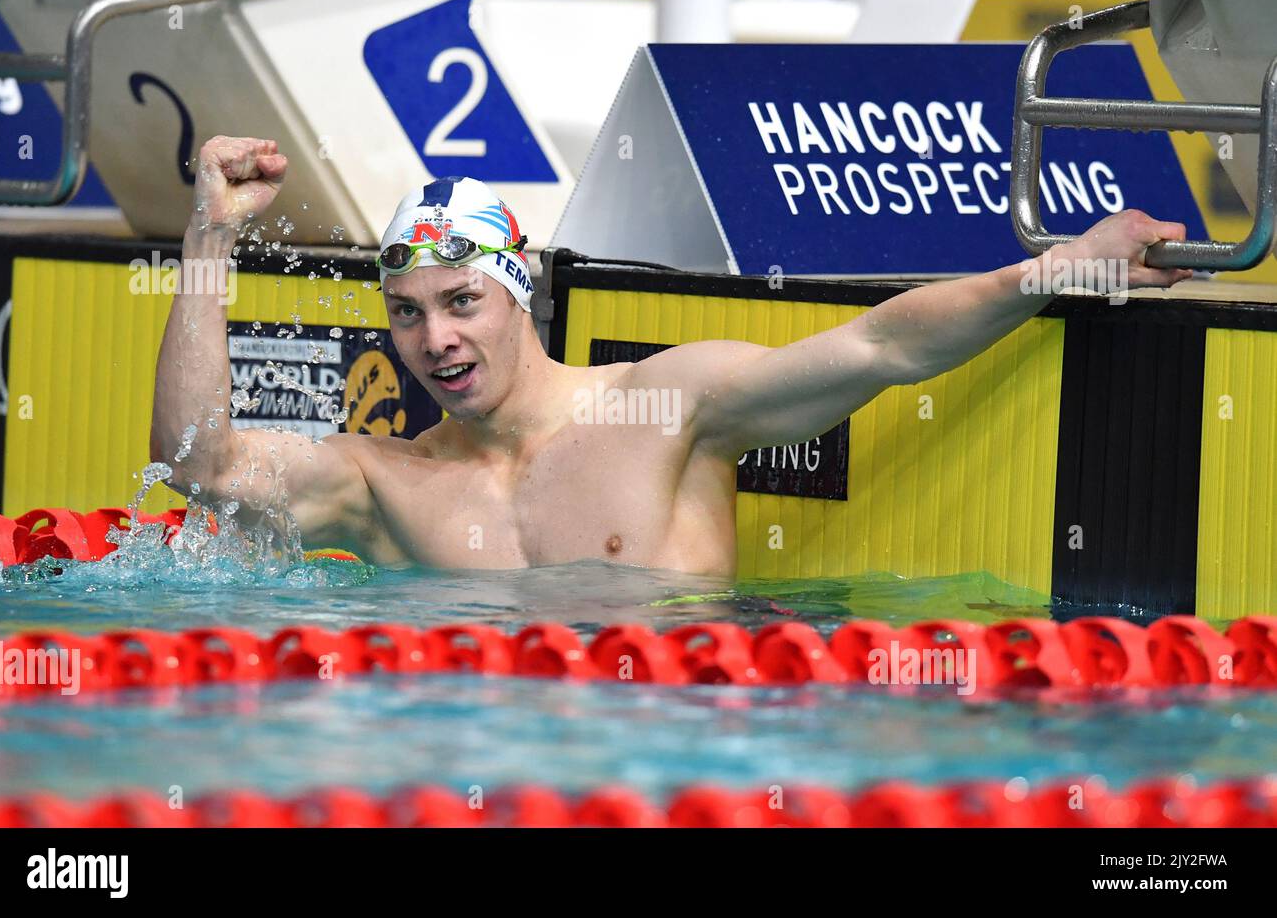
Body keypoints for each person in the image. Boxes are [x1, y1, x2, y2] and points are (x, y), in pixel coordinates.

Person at [151, 135, 1193, 574]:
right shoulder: (386, 481)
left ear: (522, 295)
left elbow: (881, 344)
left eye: (463, 301)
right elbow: (198, 468)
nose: (437, 340)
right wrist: (207, 239)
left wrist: (1068, 268)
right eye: (410, 313)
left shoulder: (662, 407)